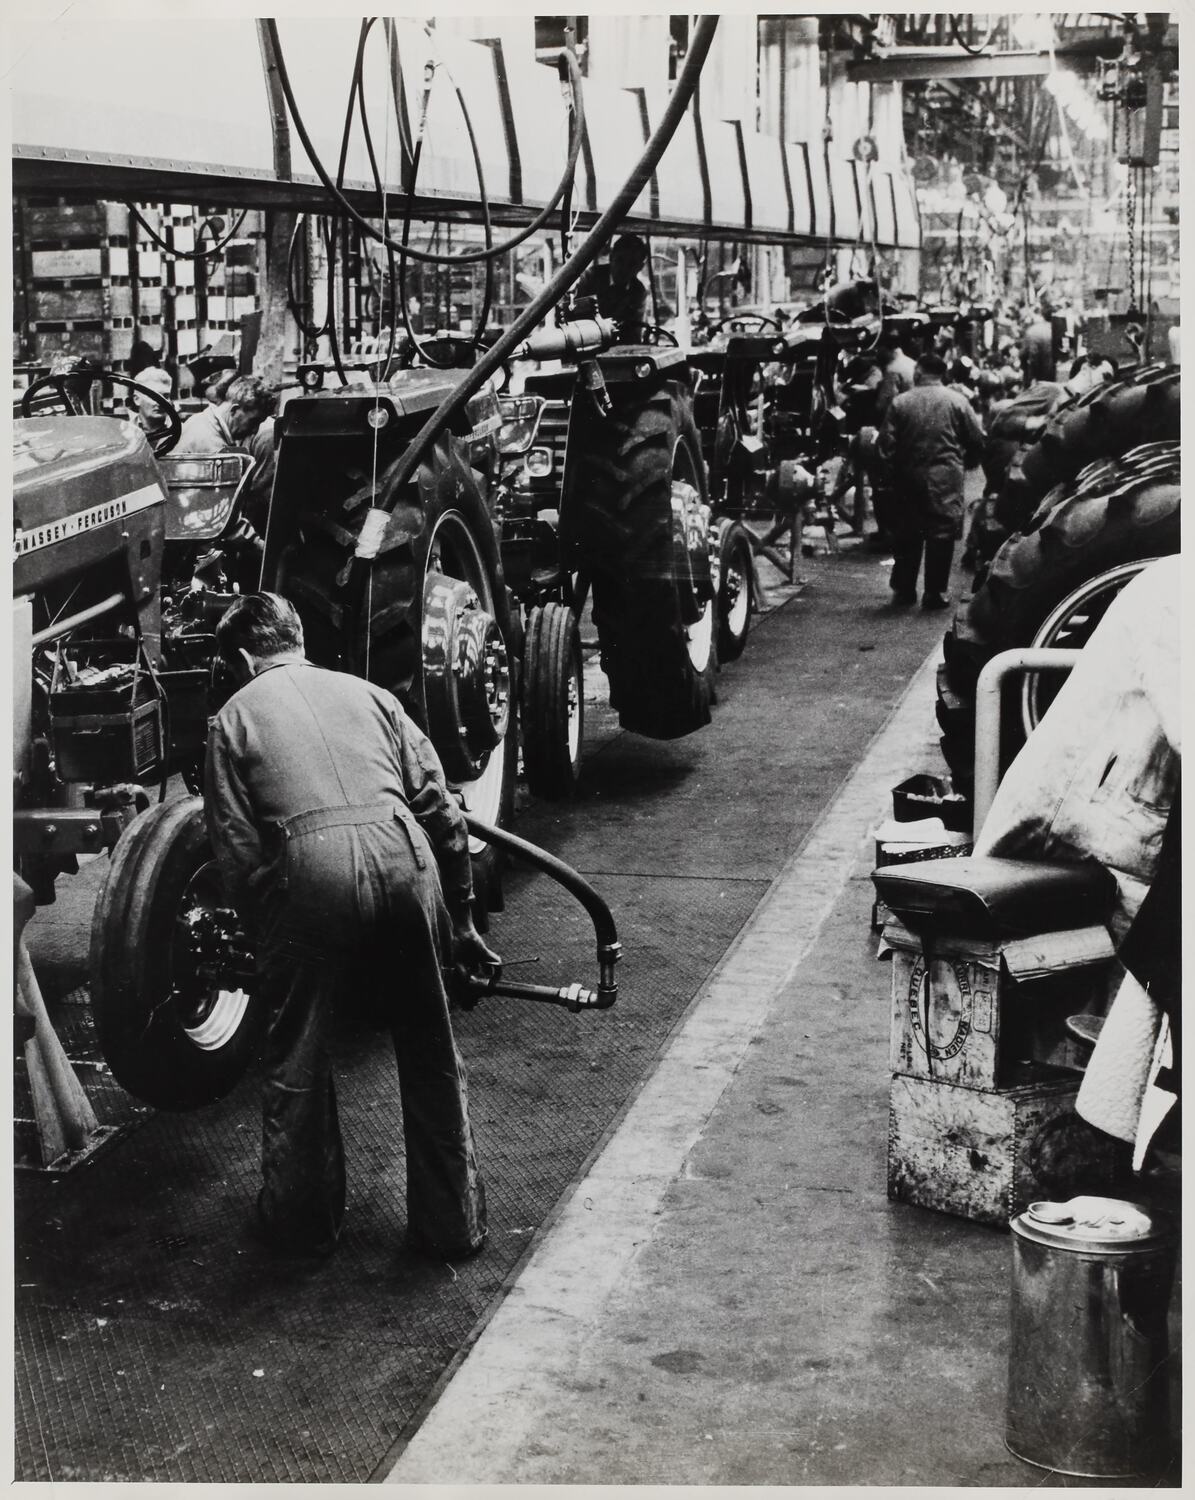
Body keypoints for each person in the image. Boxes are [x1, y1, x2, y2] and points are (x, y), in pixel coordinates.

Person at [204, 592, 499, 1259]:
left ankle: (301, 1230)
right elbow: (443, 813)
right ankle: (452, 1227)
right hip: (406, 859)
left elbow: (236, 847)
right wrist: (460, 923)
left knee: (297, 1056)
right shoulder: (371, 695)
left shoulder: (232, 719)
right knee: (429, 1048)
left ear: (245, 658)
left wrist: (270, 943)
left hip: (309, 870)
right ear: (298, 638)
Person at [875, 351, 985, 608]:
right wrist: (965, 463)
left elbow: (885, 447)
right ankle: (935, 593)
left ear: (919, 373)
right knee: (942, 535)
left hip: (908, 477)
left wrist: (888, 478)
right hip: (946, 478)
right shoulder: (957, 401)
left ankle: (904, 590)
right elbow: (977, 438)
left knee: (908, 534)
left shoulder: (901, 402)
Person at [173, 372, 276, 458]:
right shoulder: (209, 443)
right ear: (234, 410)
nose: (255, 430)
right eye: (253, 422)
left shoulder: (204, 422)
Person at [571, 232, 650, 342]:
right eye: (620, 260)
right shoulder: (589, 279)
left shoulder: (638, 291)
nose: (624, 269)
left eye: (632, 264)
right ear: (611, 257)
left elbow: (634, 333)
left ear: (640, 267)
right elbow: (573, 322)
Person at [126, 364, 175, 445]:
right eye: (153, 396)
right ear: (136, 399)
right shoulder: (125, 432)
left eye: (166, 396)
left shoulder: (183, 433)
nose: (160, 402)